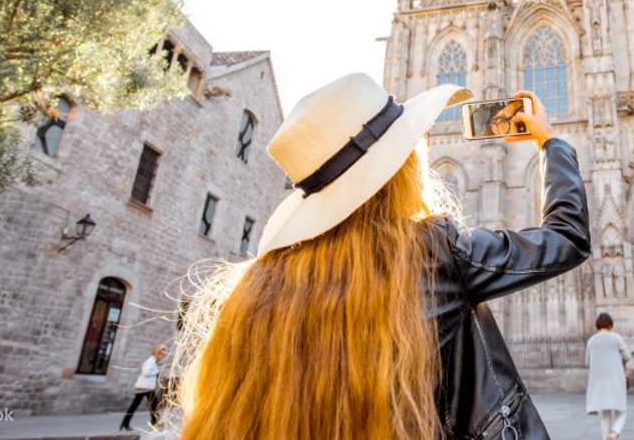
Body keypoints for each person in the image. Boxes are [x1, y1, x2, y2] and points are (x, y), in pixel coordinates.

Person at [172, 75, 590, 439]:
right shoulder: (432, 253)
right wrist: (550, 143)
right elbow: (566, 238)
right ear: (398, 172)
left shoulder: (256, 292)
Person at [586, 313, 631, 440]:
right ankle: (615, 432)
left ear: (597, 326)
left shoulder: (591, 341)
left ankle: (605, 438)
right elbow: (627, 356)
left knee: (605, 413)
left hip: (598, 382)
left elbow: (587, 362)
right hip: (616, 379)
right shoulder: (615, 337)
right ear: (611, 325)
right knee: (621, 410)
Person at [120, 345, 165, 431]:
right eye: (162, 353)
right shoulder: (149, 362)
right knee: (136, 406)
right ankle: (126, 422)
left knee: (153, 404)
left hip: (148, 388)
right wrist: (156, 371)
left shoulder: (153, 361)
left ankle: (155, 421)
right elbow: (145, 373)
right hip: (144, 388)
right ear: (157, 353)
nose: (163, 356)